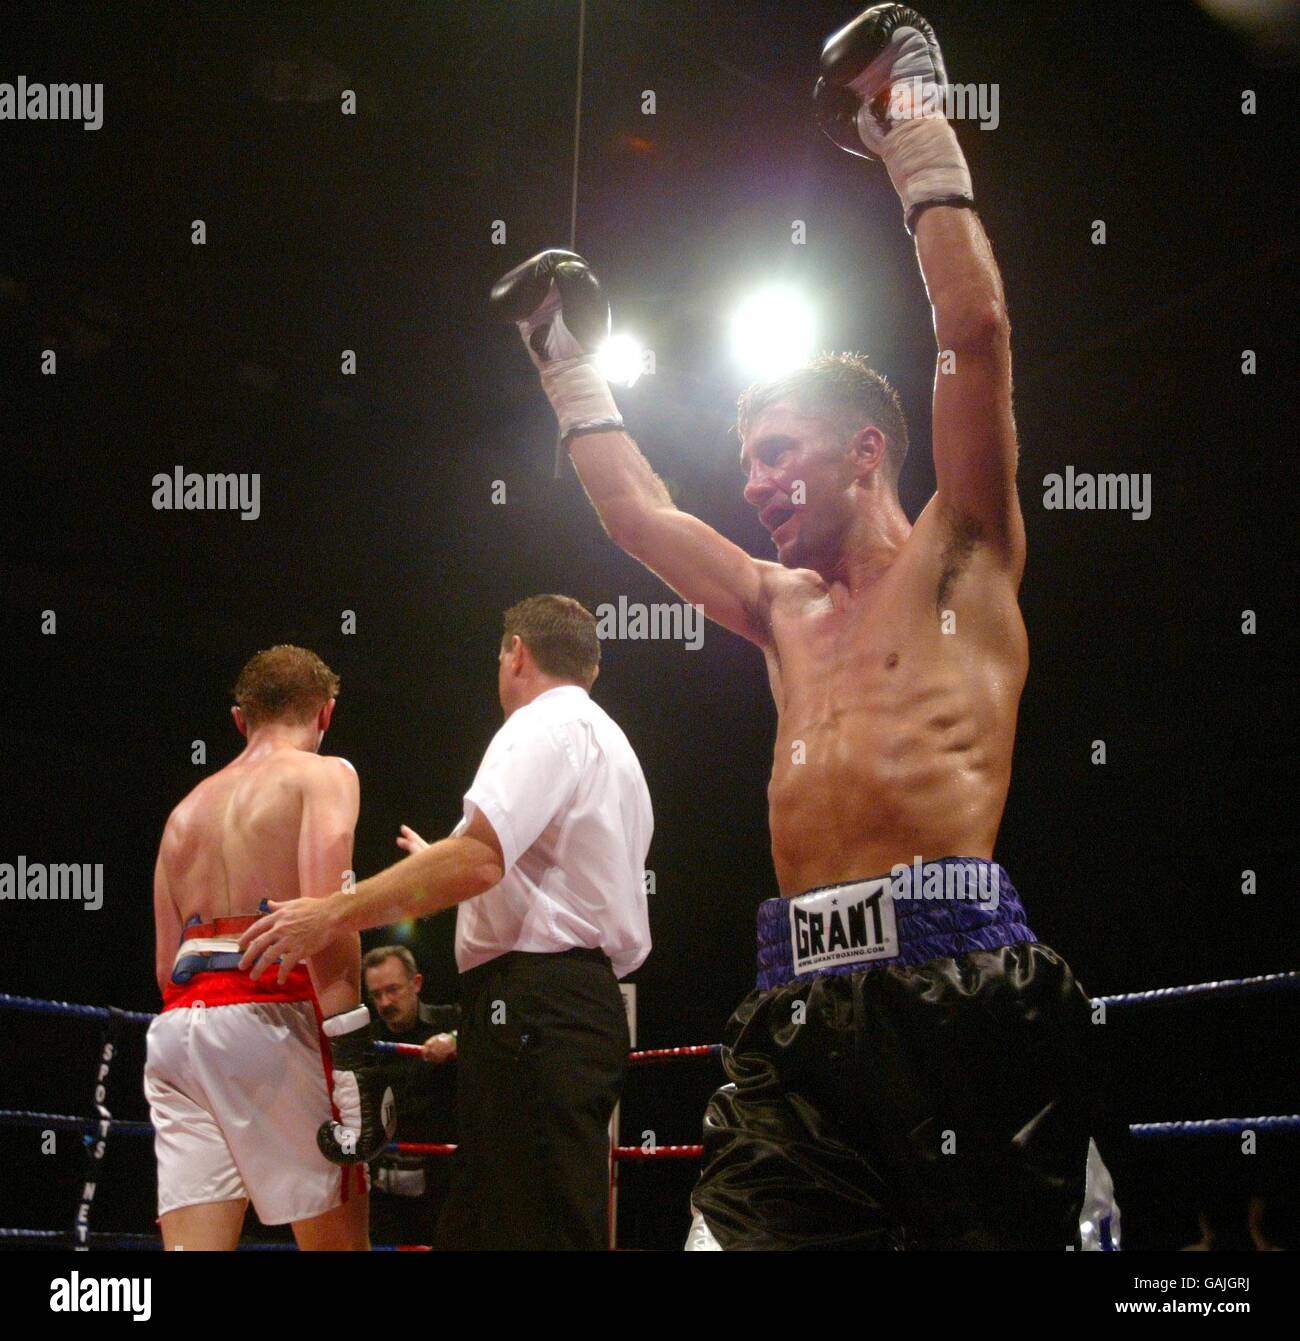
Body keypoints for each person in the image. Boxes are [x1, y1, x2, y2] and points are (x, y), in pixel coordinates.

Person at [489, 5, 1117, 1250]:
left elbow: (974, 335)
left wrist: (908, 132)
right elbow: (633, 511)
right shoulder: (775, 609)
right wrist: (562, 358)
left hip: (963, 989)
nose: (755, 482)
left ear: (868, 448)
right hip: (798, 1004)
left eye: (778, 454)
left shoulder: (963, 552)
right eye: (746, 461)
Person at [240, 595, 652, 1250]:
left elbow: (480, 860)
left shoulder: (539, 726)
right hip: (560, 1007)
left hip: (536, 1009)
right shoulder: (612, 745)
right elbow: (544, 871)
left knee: (535, 1225)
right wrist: (444, 864)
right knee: (489, 1222)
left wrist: (330, 913)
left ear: (516, 651)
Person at [143, 645, 389, 1251]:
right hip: (274, 1016)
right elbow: (325, 914)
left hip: (179, 1033)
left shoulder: (182, 812)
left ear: (239, 719)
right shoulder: (324, 775)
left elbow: (163, 965)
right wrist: (352, 1053)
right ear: (326, 714)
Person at [362, 944, 460, 1247]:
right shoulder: (368, 1040)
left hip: (441, 1186)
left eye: (392, 990)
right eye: (376, 994)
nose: (385, 1002)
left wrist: (455, 1040)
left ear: (416, 983)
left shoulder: (449, 1020)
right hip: (384, 1187)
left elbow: (500, 1020)